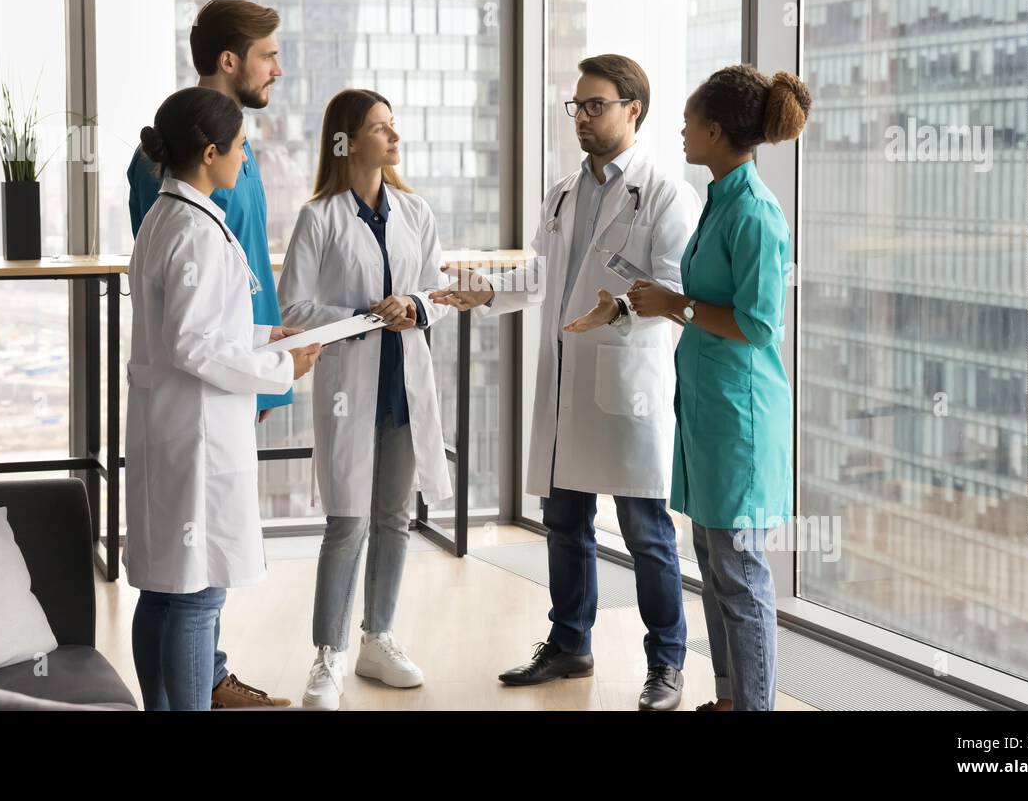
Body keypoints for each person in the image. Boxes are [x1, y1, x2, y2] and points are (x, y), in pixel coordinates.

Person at [431, 55, 700, 710]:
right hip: (568, 384)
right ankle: (569, 642)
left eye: (594, 105)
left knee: (646, 530)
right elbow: (542, 277)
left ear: (632, 109)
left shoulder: (665, 192)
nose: (581, 117)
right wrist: (484, 290)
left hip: (626, 381)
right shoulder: (561, 192)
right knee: (565, 519)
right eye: (576, 106)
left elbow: (675, 290)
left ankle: (667, 662)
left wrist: (620, 308)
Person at [124, 86, 322, 711]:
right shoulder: (193, 228)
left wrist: (266, 335)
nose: (245, 158)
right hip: (197, 435)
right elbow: (194, 344)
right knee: (199, 593)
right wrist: (280, 365)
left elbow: (193, 325)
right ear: (210, 152)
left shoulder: (170, 216)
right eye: (240, 147)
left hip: (177, 428)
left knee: (164, 590)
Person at [625, 65, 810, 710]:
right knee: (713, 561)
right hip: (707, 408)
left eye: (686, 121)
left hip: (741, 416)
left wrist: (673, 303)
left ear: (713, 129)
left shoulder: (756, 213)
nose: (679, 130)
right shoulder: (721, 199)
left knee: (741, 573)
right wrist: (667, 303)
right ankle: (732, 697)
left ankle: (756, 707)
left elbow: (759, 324)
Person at [277, 89, 451, 711]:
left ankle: (378, 637)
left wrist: (415, 307)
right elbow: (292, 309)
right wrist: (362, 316)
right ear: (347, 141)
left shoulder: (415, 210)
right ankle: (329, 657)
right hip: (352, 387)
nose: (393, 136)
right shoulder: (319, 216)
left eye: (393, 125)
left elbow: (436, 292)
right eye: (380, 128)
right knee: (346, 522)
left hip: (404, 387)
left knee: (394, 519)